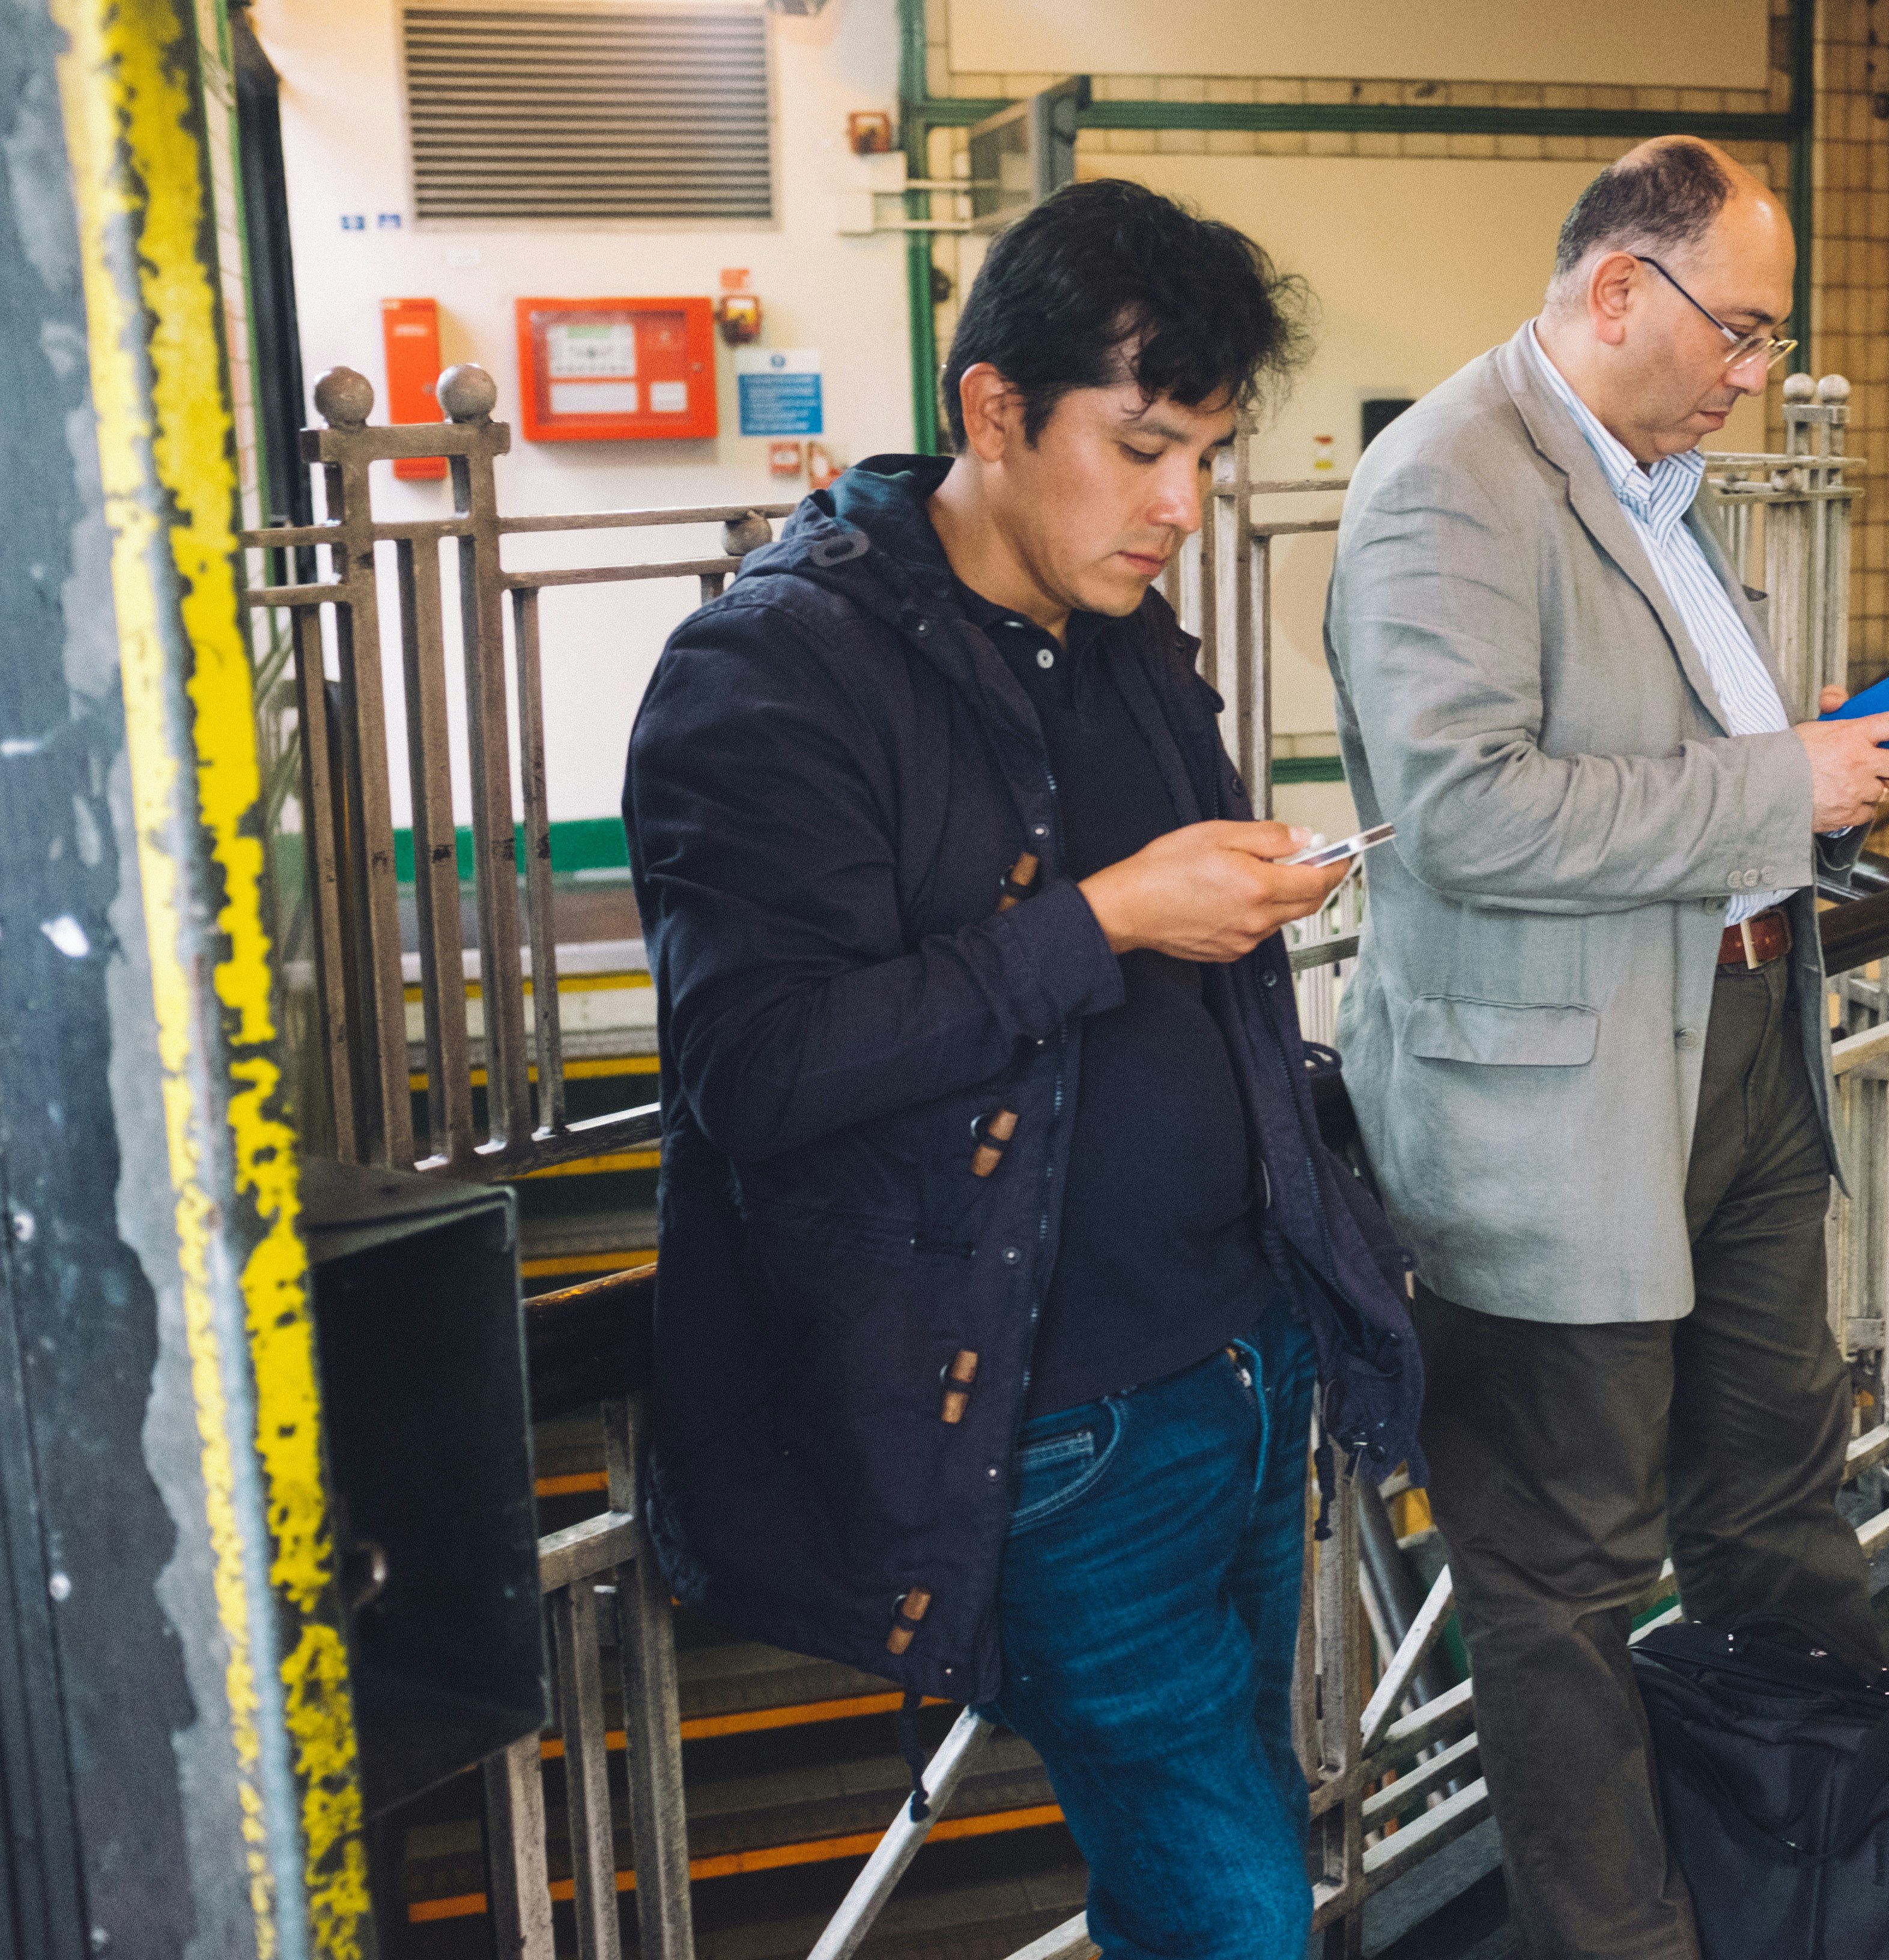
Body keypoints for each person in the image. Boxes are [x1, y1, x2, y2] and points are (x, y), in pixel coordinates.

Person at [623, 178, 1421, 1958]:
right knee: (1237, 1911)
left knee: (1225, 1848)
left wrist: (1226, 898)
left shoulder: (1123, 636)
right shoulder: (773, 672)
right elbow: (756, 1068)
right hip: (1053, 1417)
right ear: (993, 409)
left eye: (1206, 455)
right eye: (1141, 449)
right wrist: (1117, 915)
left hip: (1244, 1357)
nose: (1180, 506)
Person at [1323, 136, 1889, 1958]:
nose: (1759, 371)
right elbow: (1467, 812)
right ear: (1618, 289)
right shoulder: (1445, 482)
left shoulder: (1655, 478)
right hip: (1551, 1113)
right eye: (1741, 330)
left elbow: (1671, 758)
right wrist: (1775, 785)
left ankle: (1824, 1873)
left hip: (1738, 1039)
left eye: (1768, 336)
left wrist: (1814, 778)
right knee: (1565, 1575)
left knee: (1777, 1492)